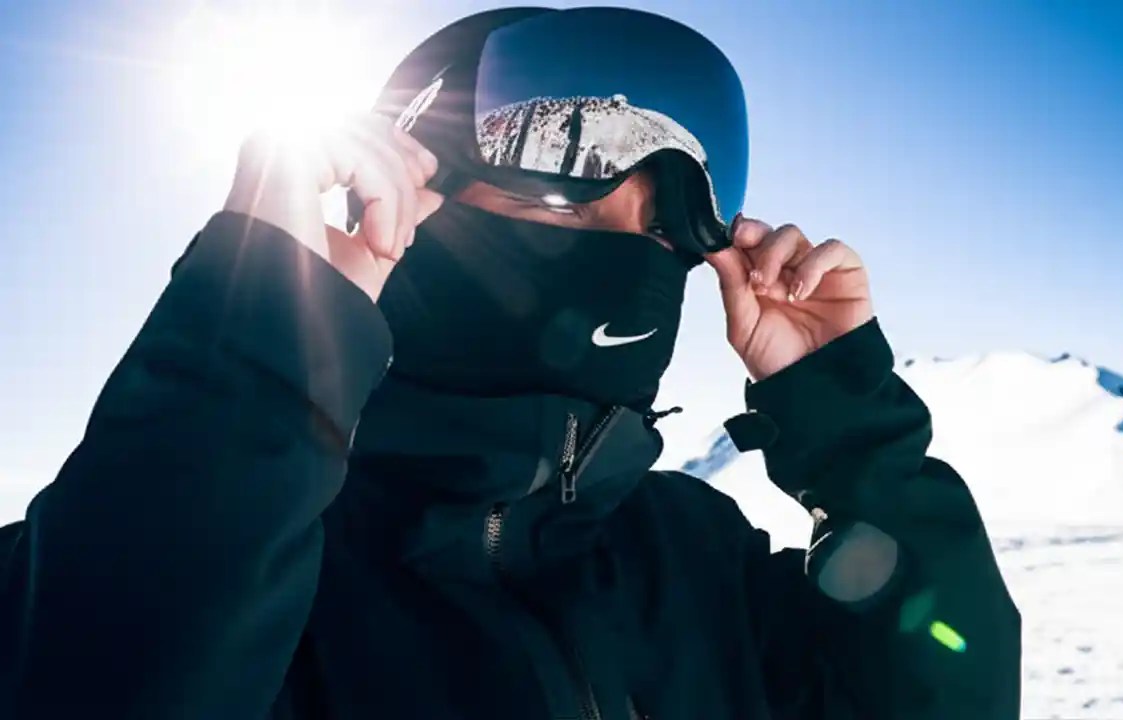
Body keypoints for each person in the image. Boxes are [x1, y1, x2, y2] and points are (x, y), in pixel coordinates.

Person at [0, 7, 1020, 719]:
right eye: (563, 192)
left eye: (663, 224)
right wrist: (257, 317)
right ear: (403, 192)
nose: (630, 252)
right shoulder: (192, 551)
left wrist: (845, 422)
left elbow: (947, 697)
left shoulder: (687, 553)